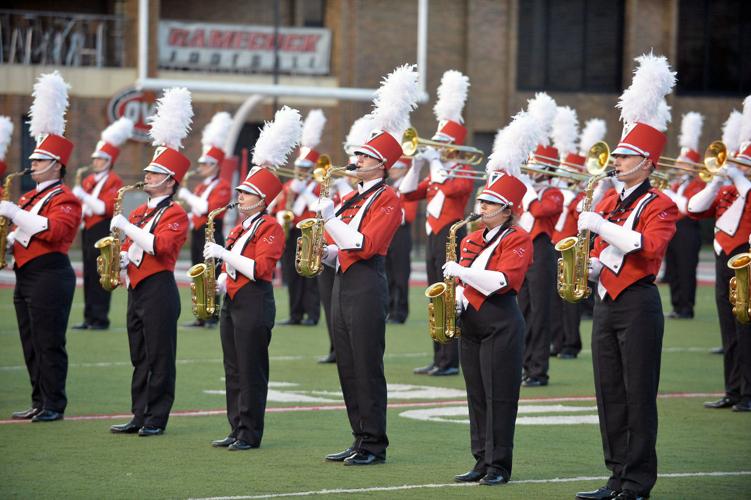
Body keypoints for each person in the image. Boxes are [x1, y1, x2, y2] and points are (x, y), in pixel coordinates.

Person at [575, 53, 678, 500]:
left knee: (638, 397)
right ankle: (616, 476)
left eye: (625, 155)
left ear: (648, 163)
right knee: (609, 395)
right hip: (605, 303)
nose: (615, 161)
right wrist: (589, 263)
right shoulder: (607, 202)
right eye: (616, 154)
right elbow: (603, 250)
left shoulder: (660, 203)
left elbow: (648, 247)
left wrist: (599, 227)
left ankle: (638, 481)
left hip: (638, 303)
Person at [321, 64, 418, 466]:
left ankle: (375, 444)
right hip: (344, 280)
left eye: (362, 156)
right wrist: (323, 252)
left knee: (366, 364)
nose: (354, 159)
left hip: (366, 283)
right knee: (346, 364)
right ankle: (359, 437)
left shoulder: (388, 199)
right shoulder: (354, 197)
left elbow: (366, 243)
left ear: (381, 165)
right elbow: (342, 246)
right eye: (357, 154)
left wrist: (329, 221)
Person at [109, 87, 191, 437]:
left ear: (170, 181)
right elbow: (134, 246)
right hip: (138, 288)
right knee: (139, 354)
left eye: (154, 174)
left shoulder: (176, 213)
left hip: (159, 287)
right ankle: (139, 413)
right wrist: (121, 256)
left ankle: (157, 417)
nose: (147, 177)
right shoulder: (141, 210)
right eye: (148, 172)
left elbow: (159, 246)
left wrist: (127, 226)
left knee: (160, 356)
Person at [444, 171, 532, 486]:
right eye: (481, 201)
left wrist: (461, 272)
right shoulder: (469, 238)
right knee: (477, 396)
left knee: (500, 397)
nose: (482, 207)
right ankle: (481, 459)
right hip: (471, 324)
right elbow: (461, 282)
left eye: (490, 203)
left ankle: (499, 466)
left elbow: (500, 281)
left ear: (508, 209)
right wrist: (455, 297)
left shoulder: (518, 238)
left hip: (501, 323)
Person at [3, 72, 81, 423]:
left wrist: (14, 212)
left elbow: (54, 230)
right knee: (30, 340)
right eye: (33, 160)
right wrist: (8, 238)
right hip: (27, 273)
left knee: (49, 341)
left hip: (51, 273)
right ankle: (38, 399)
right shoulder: (31, 195)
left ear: (56, 165)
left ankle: (54, 404)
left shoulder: (65, 197)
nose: (32, 165)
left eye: (39, 161)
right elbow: (26, 229)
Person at [205, 167, 285, 450]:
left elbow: (261, 269)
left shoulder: (270, 226)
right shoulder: (240, 228)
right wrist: (223, 281)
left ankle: (250, 433)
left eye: (246, 193)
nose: (239, 197)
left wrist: (223, 253)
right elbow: (236, 267)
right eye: (239, 192)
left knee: (251, 369)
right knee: (233, 368)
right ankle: (236, 426)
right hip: (234, 301)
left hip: (255, 302)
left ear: (262, 200)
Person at [400, 70, 474, 376]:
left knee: (449, 294)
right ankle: (438, 356)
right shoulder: (435, 170)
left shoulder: (462, 171)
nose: (437, 147)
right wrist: (417, 165)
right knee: (435, 295)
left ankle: (450, 360)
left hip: (451, 236)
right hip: (433, 236)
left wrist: (434, 162)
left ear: (454, 145)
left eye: (442, 143)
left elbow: (454, 190)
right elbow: (406, 191)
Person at [688, 97, 751, 413]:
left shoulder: (745, 189)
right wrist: (715, 184)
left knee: (747, 327)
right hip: (726, 258)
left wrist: (741, 179)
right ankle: (733, 390)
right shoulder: (729, 189)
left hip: (747, 258)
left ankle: (749, 392)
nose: (737, 168)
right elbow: (693, 209)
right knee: (729, 327)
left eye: (743, 165)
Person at [517, 93, 564, 387]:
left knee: (539, 313)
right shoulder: (527, 190)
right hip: (522, 252)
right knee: (520, 311)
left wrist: (527, 188)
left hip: (542, 251)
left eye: (534, 167)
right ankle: (522, 364)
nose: (528, 170)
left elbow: (541, 210)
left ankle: (538, 370)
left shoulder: (553, 192)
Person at [71, 117, 131, 330]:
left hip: (102, 228)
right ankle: (89, 316)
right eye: (95, 158)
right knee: (88, 273)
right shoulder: (89, 181)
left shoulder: (114, 180)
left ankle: (100, 317)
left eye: (99, 159)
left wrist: (83, 197)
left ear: (108, 161)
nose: (94, 161)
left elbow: (103, 208)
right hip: (88, 229)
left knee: (101, 274)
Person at [179, 112, 233, 328]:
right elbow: (196, 212)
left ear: (215, 165)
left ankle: (212, 314)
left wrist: (187, 196)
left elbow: (208, 209)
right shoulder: (201, 186)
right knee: (198, 271)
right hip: (198, 233)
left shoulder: (222, 186)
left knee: (212, 273)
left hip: (213, 234)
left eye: (205, 164)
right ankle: (201, 314)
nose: (200, 167)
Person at [275, 109, 327, 326]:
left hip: (310, 232)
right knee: (292, 274)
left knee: (310, 276)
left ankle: (312, 315)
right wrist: (281, 218)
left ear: (312, 168)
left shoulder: (318, 187)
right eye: (298, 167)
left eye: (304, 168)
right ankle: (295, 313)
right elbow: (279, 208)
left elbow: (318, 208)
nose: (300, 171)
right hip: (292, 231)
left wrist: (303, 191)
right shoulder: (289, 186)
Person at [662, 112, 705, 319]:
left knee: (686, 269)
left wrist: (671, 193)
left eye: (682, 164)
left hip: (688, 229)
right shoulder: (676, 184)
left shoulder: (698, 184)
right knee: (673, 268)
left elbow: (688, 207)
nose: (677, 168)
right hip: (673, 230)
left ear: (692, 167)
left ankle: (687, 307)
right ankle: (677, 305)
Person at [386, 157, 418, 324]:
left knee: (400, 275)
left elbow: (409, 216)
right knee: (388, 274)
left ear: (405, 169)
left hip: (401, 234)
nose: (393, 170)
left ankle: (400, 311)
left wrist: (388, 211)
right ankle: (390, 309)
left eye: (397, 167)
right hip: (388, 234)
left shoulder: (407, 188)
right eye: (393, 166)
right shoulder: (390, 187)